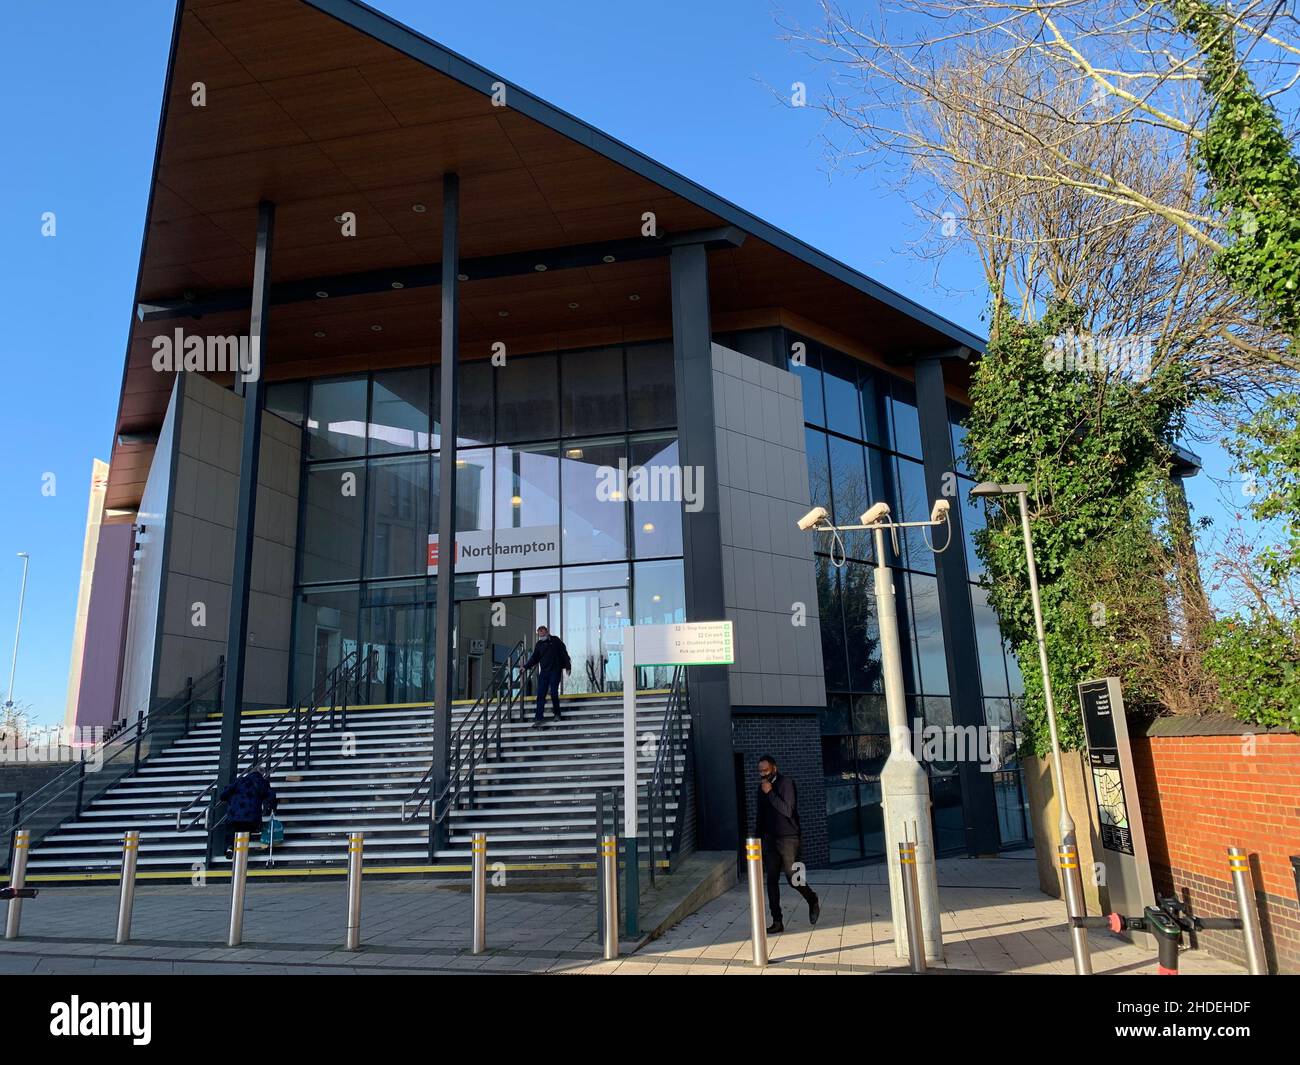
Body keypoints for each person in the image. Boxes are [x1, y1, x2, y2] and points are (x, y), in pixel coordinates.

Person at [755, 753, 820, 934]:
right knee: (771, 880)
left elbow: (788, 811)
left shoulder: (786, 784)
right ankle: (777, 921)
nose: (762, 774)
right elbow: (760, 816)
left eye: (765, 770)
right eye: (759, 771)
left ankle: (812, 899)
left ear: (774, 768)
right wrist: (755, 840)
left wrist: (771, 794)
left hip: (789, 837)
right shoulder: (761, 788)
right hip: (769, 839)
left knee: (794, 878)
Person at [218, 761, 278, 860]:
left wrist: (224, 798)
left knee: (232, 829)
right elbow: (271, 795)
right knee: (246, 830)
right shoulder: (262, 783)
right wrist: (273, 807)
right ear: (262, 774)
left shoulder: (240, 780)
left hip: (234, 813)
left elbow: (226, 792)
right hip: (251, 815)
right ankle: (241, 852)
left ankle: (230, 847)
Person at [523, 625, 571, 725]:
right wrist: (525, 667)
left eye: (543, 633)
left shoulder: (555, 641)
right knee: (540, 695)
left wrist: (568, 667)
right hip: (544, 672)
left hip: (555, 670)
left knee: (553, 692)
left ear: (547, 632)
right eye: (539, 634)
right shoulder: (539, 644)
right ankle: (538, 718)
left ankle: (557, 713)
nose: (541, 636)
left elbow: (564, 653)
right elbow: (534, 658)